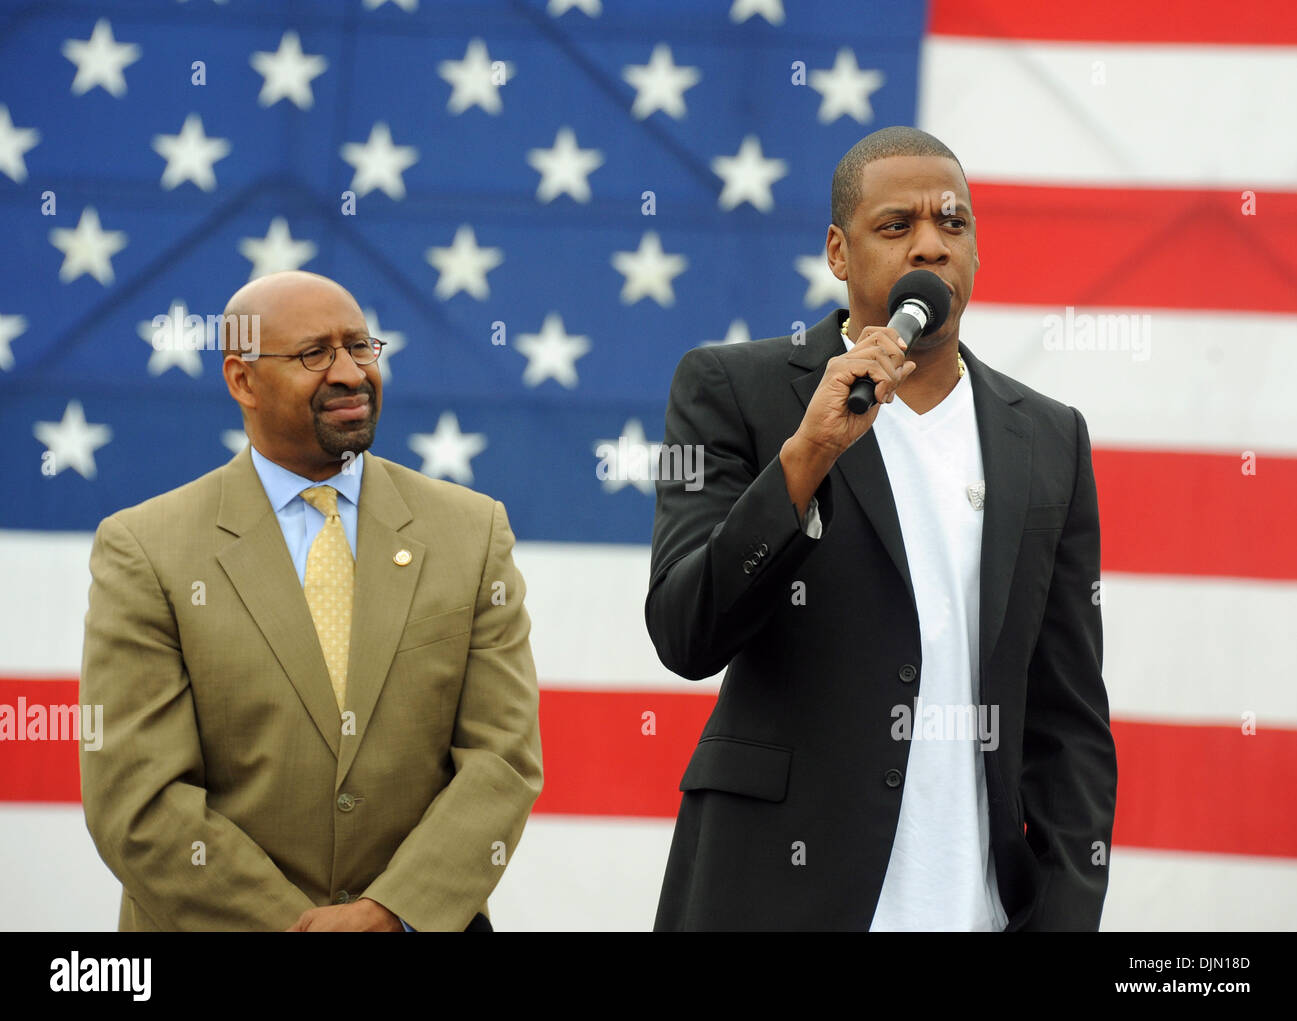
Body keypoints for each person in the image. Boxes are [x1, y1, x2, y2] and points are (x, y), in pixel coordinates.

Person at [647, 126, 1117, 931]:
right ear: (838, 251)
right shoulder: (730, 387)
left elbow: (1069, 712)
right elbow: (685, 632)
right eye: (897, 226)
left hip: (973, 902)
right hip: (775, 897)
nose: (931, 245)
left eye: (953, 224)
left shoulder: (1048, 436)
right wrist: (808, 454)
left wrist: (1066, 909)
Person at [79, 270, 542, 931]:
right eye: (314, 354)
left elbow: (503, 758)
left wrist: (389, 911)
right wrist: (296, 926)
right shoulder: (145, 549)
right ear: (242, 380)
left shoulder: (472, 532)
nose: (351, 372)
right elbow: (137, 799)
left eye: (360, 346)